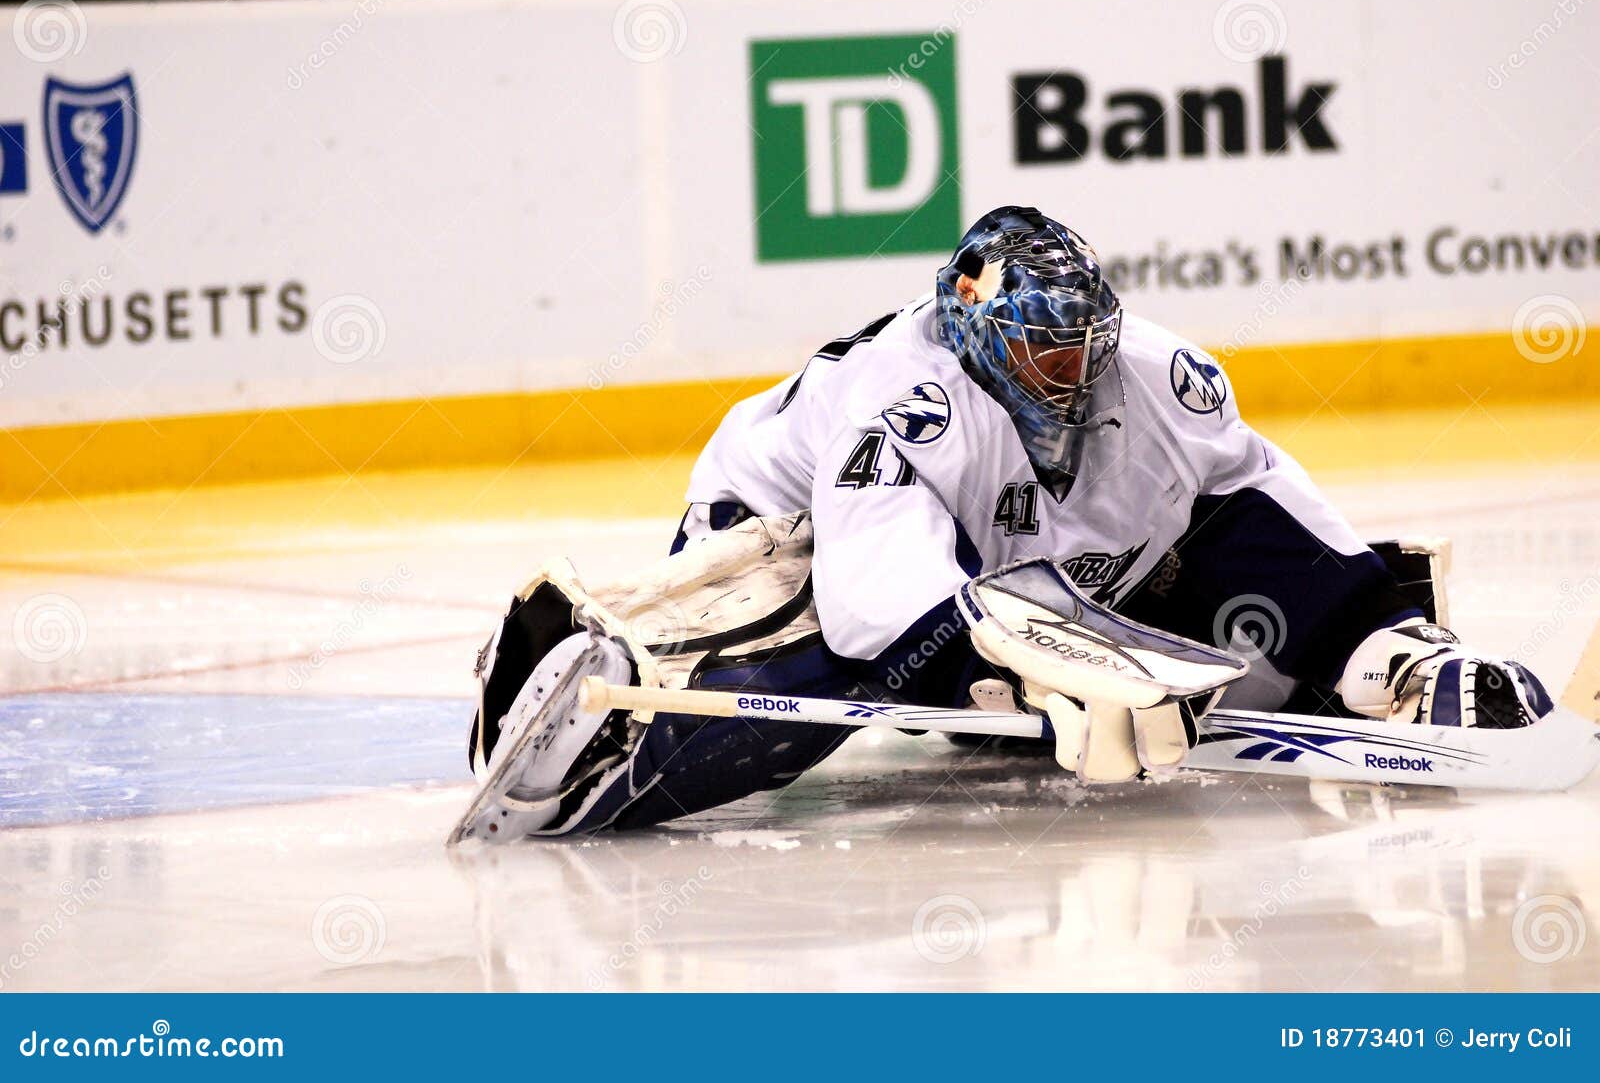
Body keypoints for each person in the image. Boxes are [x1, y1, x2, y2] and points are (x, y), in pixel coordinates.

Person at [466, 206, 1553, 837]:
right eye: (1043, 347)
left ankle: (1395, 669)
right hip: (783, 534)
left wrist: (1369, 629)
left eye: (1082, 342)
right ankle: (622, 750)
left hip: (1007, 567)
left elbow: (1259, 502)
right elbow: (874, 614)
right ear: (977, 334)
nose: (1071, 370)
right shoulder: (904, 395)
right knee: (834, 670)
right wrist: (1042, 679)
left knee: (1217, 558)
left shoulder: (1160, 374)